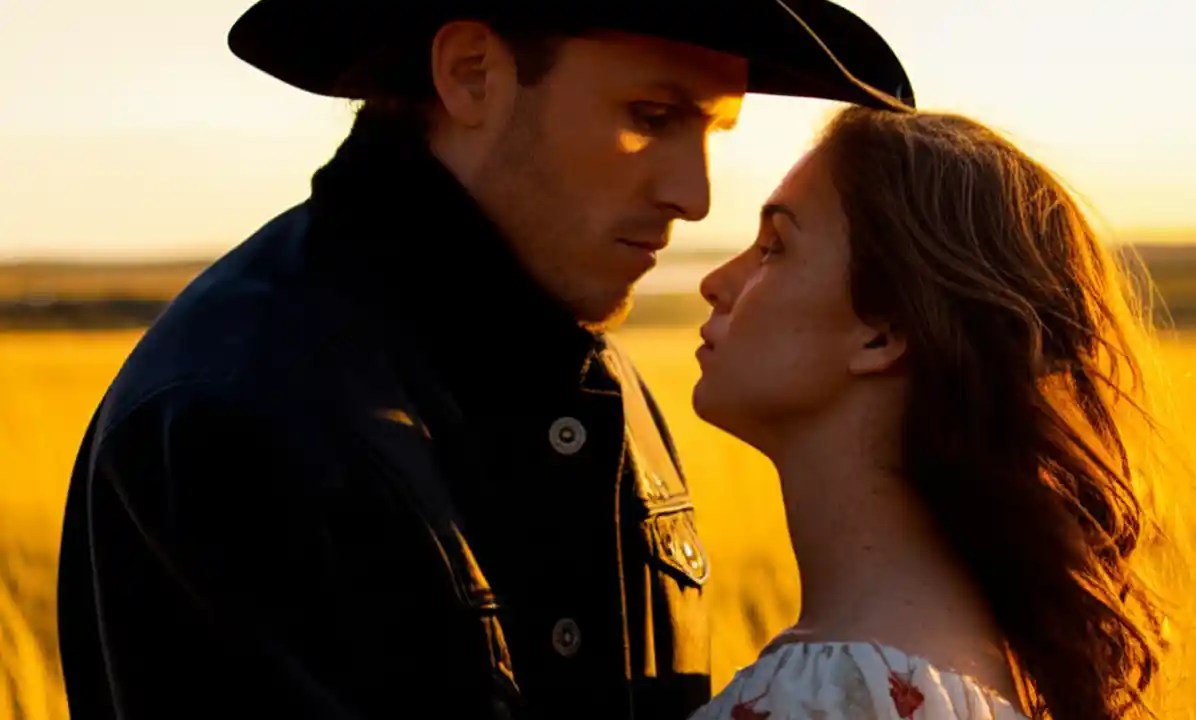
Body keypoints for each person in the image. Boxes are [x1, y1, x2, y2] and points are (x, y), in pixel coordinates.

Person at [54, 1, 914, 719]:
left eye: (711, 133)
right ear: (472, 73)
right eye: (650, 119)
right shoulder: (234, 409)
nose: (694, 195)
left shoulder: (599, 376)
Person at [687, 107, 1172, 720]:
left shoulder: (827, 702)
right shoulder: (959, 683)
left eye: (774, 248)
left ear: (881, 332)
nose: (715, 282)